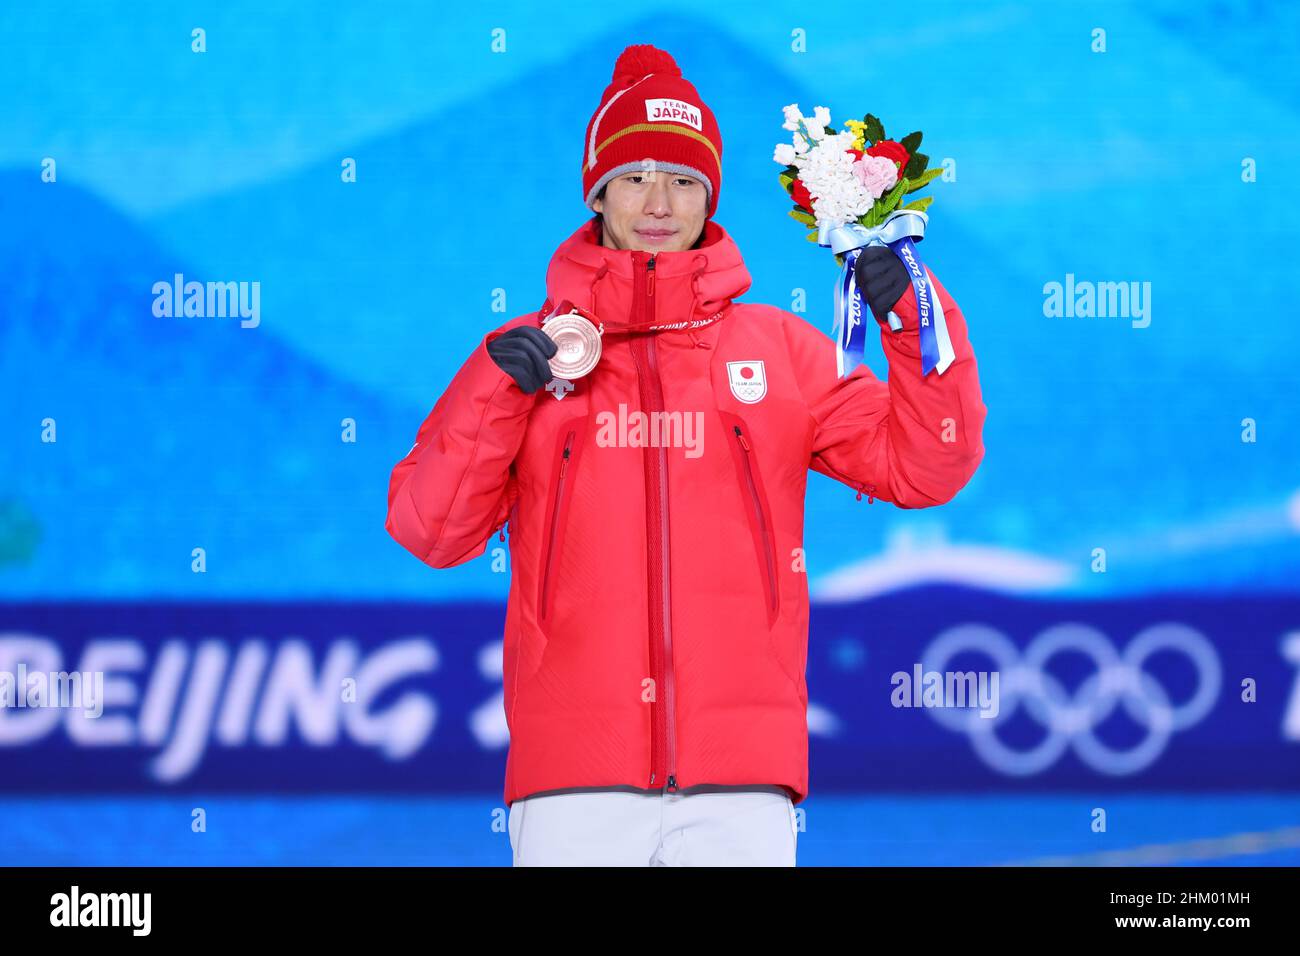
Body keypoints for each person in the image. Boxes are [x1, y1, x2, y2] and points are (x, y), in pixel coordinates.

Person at [385, 43, 987, 866]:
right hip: (573, 778)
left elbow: (926, 467)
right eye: (634, 176)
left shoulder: (780, 350)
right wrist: (493, 394)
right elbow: (430, 528)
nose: (659, 200)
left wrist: (915, 325)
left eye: (685, 178)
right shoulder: (526, 359)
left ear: (712, 196)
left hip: (741, 777)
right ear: (598, 192)